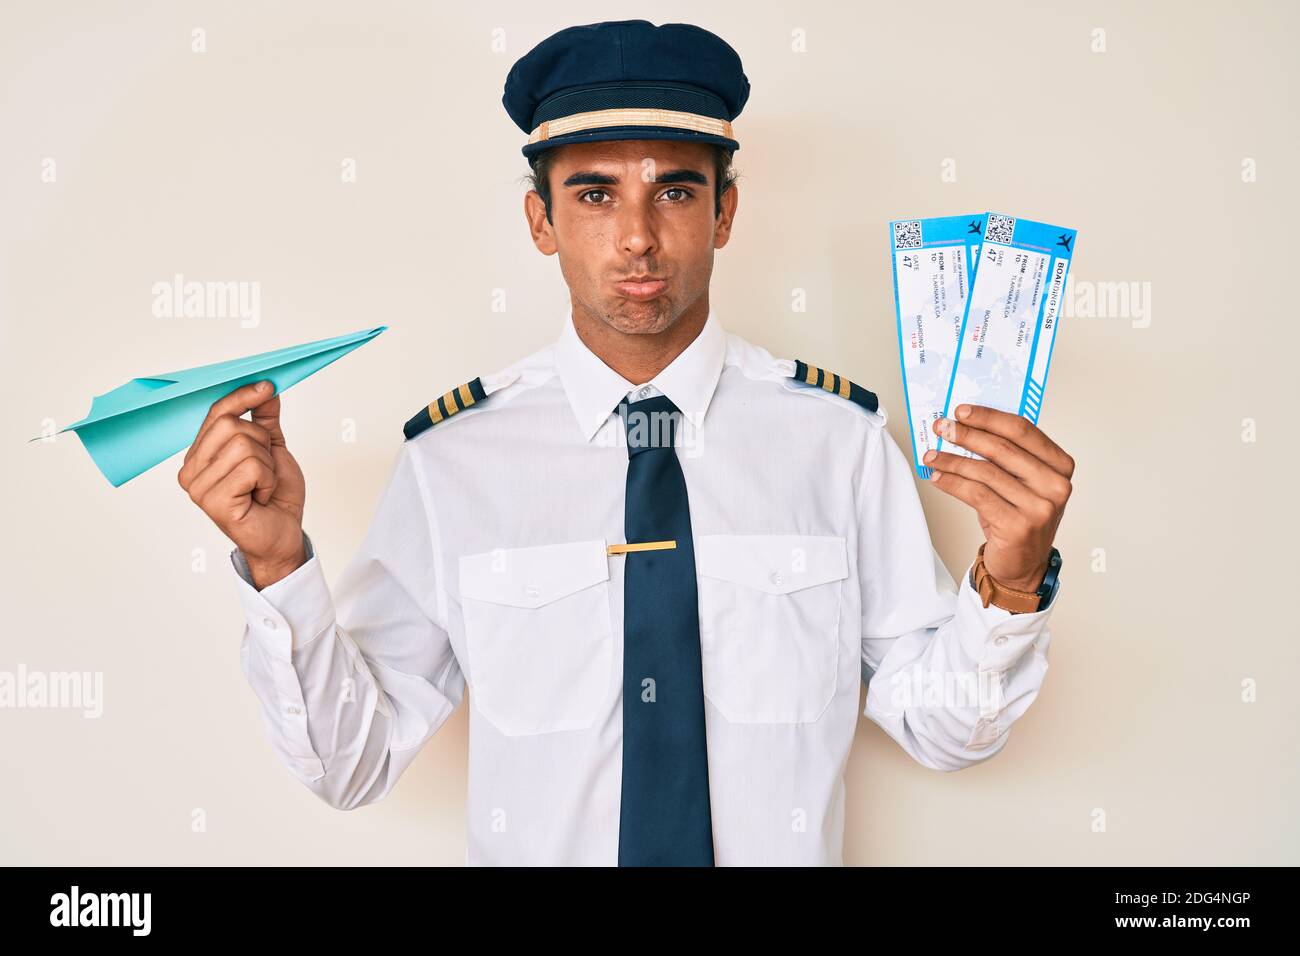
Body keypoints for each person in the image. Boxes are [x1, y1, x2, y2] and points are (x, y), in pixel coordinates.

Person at [176, 19, 1073, 866]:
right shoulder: (452, 463)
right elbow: (351, 765)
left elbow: (949, 728)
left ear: (724, 214)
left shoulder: (838, 442)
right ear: (541, 222)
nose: (638, 238)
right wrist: (279, 567)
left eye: (675, 191)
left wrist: (1013, 579)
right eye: (595, 193)